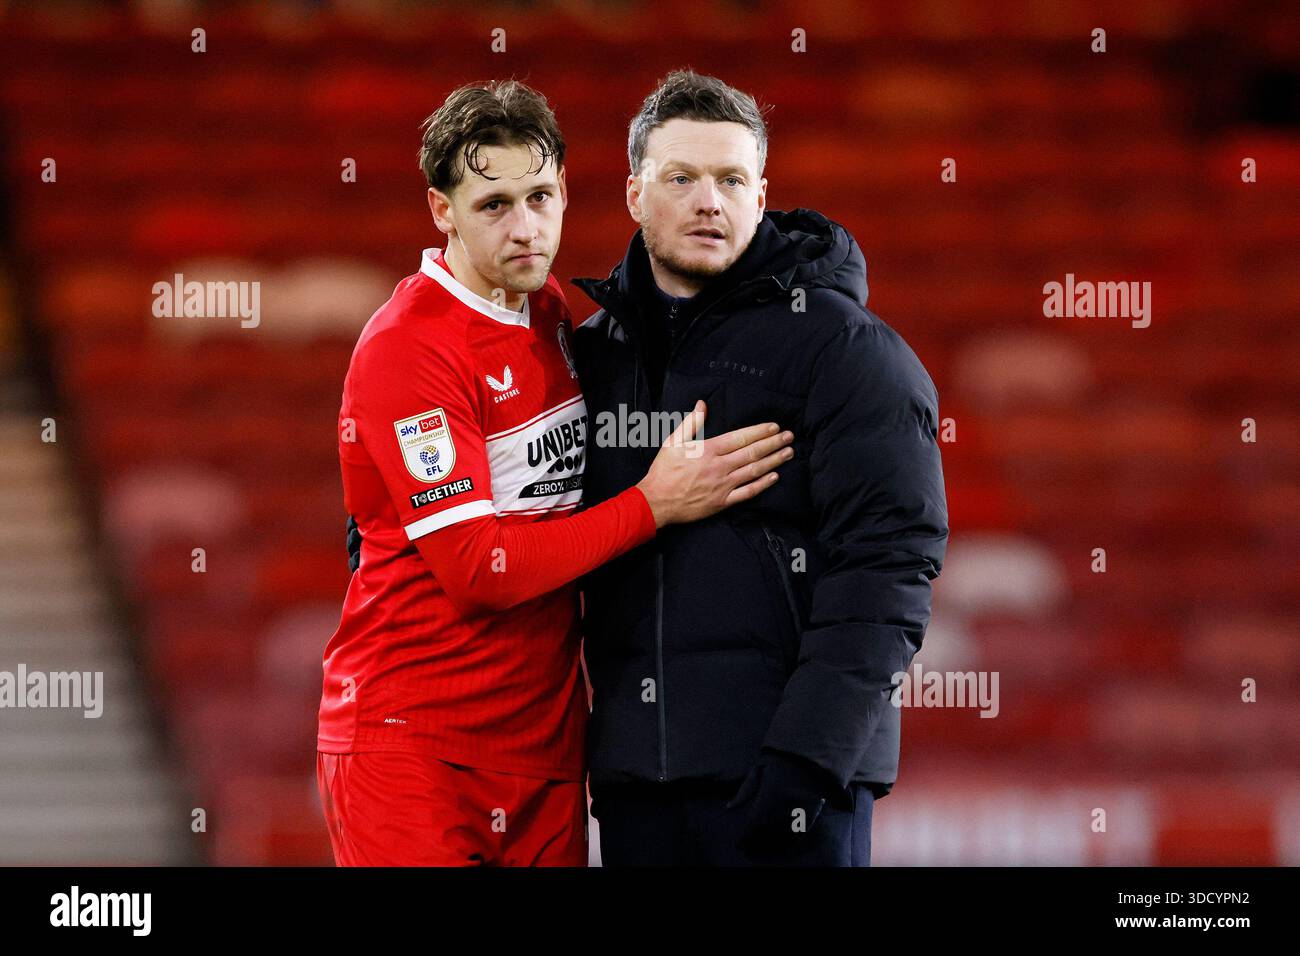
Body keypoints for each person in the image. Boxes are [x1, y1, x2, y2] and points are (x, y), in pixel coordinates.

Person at [320, 79, 792, 866]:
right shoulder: (410, 346)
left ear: (568, 191)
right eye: (493, 204)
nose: (526, 228)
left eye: (541, 197)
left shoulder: (552, 320)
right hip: (414, 746)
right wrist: (653, 505)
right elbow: (477, 568)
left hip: (543, 748)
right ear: (442, 211)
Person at [572, 70, 949, 866]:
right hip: (639, 792)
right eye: (682, 178)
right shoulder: (590, 358)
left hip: (789, 796)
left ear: (762, 192)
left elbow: (890, 567)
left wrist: (804, 768)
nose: (710, 200)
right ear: (634, 193)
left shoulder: (848, 352)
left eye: (732, 179)